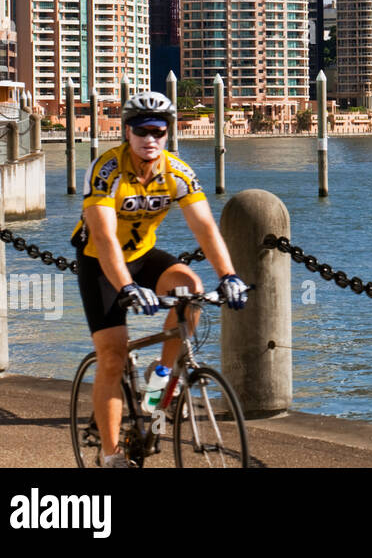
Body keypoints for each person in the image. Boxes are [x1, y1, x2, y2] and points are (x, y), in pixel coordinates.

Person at [72, 91, 249, 467]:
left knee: (192, 289)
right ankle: (110, 454)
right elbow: (103, 238)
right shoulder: (107, 170)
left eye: (159, 130)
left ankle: (162, 379)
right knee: (112, 356)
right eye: (141, 131)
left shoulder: (178, 172)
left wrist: (229, 275)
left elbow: (205, 228)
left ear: (168, 133)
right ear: (127, 132)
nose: (150, 139)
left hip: (143, 255)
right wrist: (127, 287)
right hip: (100, 263)